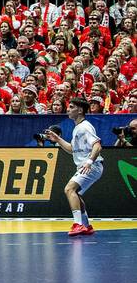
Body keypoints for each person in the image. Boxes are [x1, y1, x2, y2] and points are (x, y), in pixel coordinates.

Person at [42, 96, 103, 237]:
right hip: (87, 166)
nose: (68, 110)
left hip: (91, 165)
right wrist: (57, 139)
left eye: (71, 107)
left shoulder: (85, 127)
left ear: (80, 110)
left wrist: (89, 162)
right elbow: (71, 149)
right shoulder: (77, 128)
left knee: (69, 189)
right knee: (76, 194)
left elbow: (97, 146)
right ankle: (86, 226)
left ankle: (78, 224)